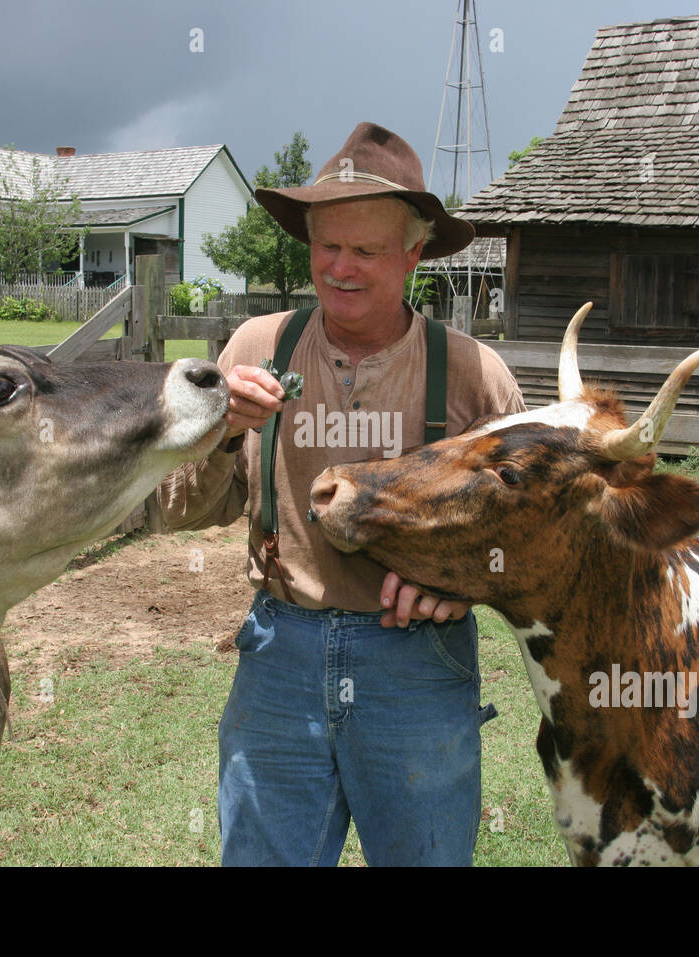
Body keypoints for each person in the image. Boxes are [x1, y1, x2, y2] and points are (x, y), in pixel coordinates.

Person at [156, 122, 526, 866]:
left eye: (365, 250)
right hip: (279, 655)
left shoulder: (474, 375)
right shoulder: (257, 348)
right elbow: (178, 507)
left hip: (416, 669)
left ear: (414, 254)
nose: (341, 268)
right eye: (328, 246)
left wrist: (464, 584)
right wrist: (224, 430)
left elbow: (528, 539)